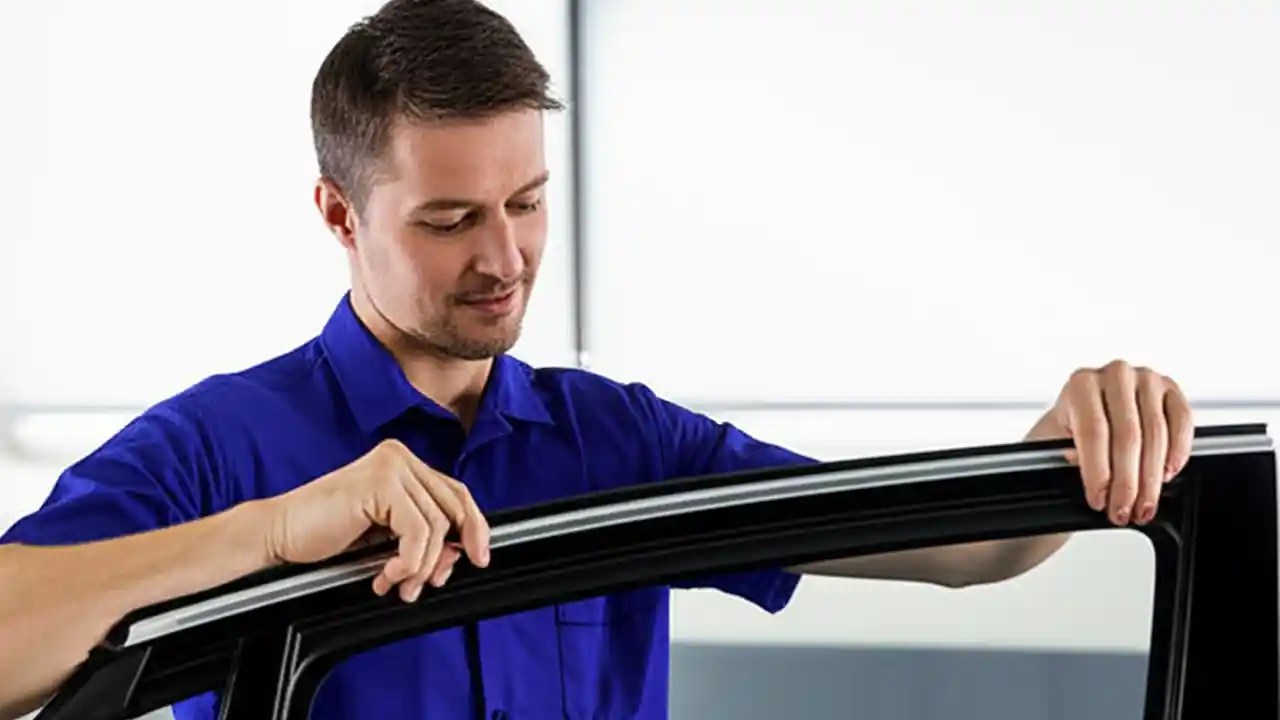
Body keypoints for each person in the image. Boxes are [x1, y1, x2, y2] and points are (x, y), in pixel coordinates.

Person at [0, 1, 1195, 718]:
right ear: (336, 213)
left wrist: (1066, 439)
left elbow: (962, 549)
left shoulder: (616, 441)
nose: (505, 258)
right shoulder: (218, 447)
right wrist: (269, 533)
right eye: (449, 219)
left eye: (527, 202)